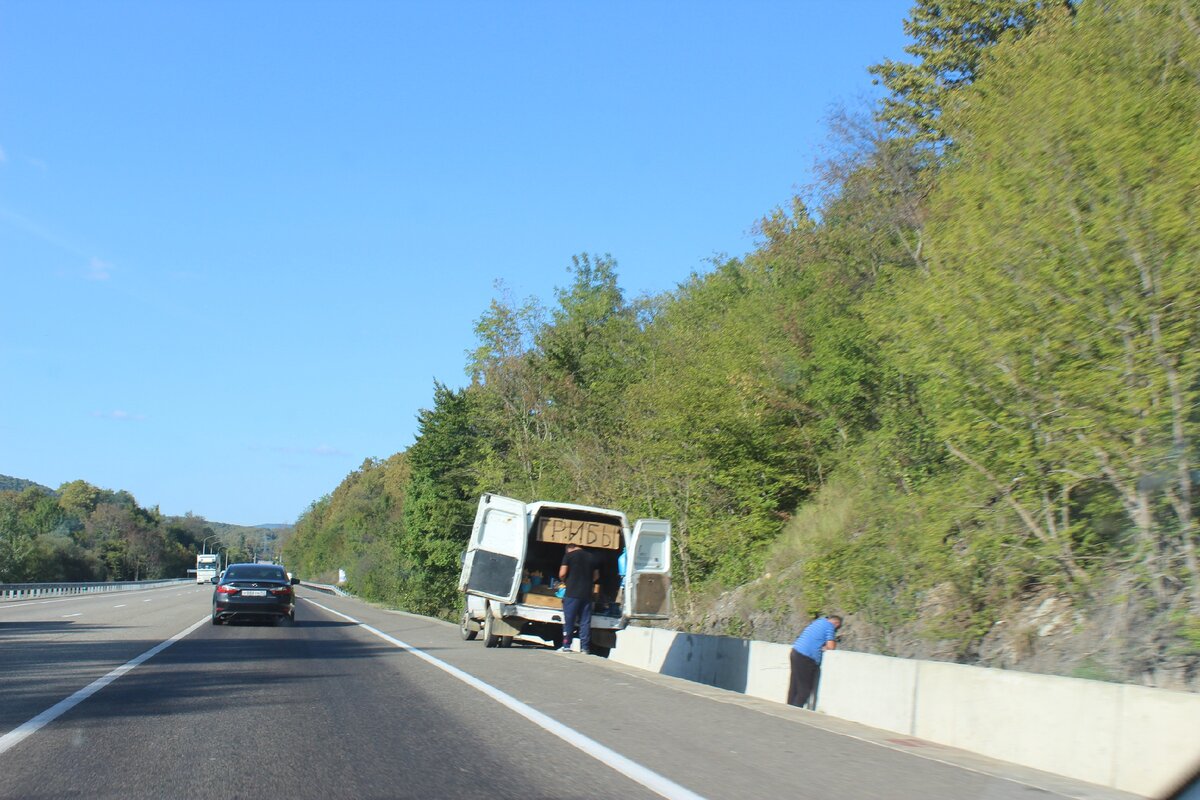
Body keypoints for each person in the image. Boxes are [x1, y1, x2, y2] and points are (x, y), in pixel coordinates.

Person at [788, 614, 842, 708]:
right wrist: (827, 645)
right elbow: (831, 646)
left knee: (794, 686)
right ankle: (796, 710)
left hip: (796, 651)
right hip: (806, 657)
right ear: (836, 623)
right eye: (837, 627)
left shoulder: (819, 621)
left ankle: (788, 708)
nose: (836, 630)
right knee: (804, 691)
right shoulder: (829, 626)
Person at [558, 543, 598, 653]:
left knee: (569, 620)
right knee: (585, 621)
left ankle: (566, 645)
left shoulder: (569, 556)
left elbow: (562, 573)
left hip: (572, 594)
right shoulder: (592, 557)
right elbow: (596, 576)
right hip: (586, 594)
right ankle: (585, 648)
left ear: (569, 549)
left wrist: (566, 581)